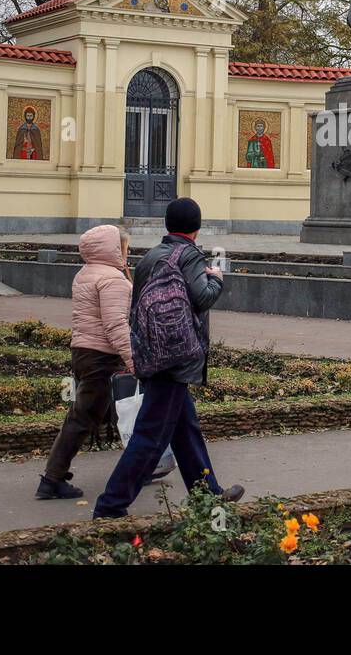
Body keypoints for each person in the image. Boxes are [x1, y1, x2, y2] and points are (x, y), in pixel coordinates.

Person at [93, 197, 244, 517]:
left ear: (168, 224)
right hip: (177, 357)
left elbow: (137, 307)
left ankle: (208, 495)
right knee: (149, 438)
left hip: (152, 353)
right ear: (197, 228)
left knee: (185, 430)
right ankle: (110, 506)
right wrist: (216, 277)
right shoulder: (189, 255)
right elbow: (201, 298)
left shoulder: (150, 257)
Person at [36, 224, 135, 499]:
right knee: (85, 417)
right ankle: (52, 479)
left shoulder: (85, 274)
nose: (128, 253)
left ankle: (141, 466)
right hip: (102, 357)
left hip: (83, 351)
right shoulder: (112, 279)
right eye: (125, 247)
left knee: (99, 414)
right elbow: (116, 326)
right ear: (115, 249)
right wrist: (135, 361)